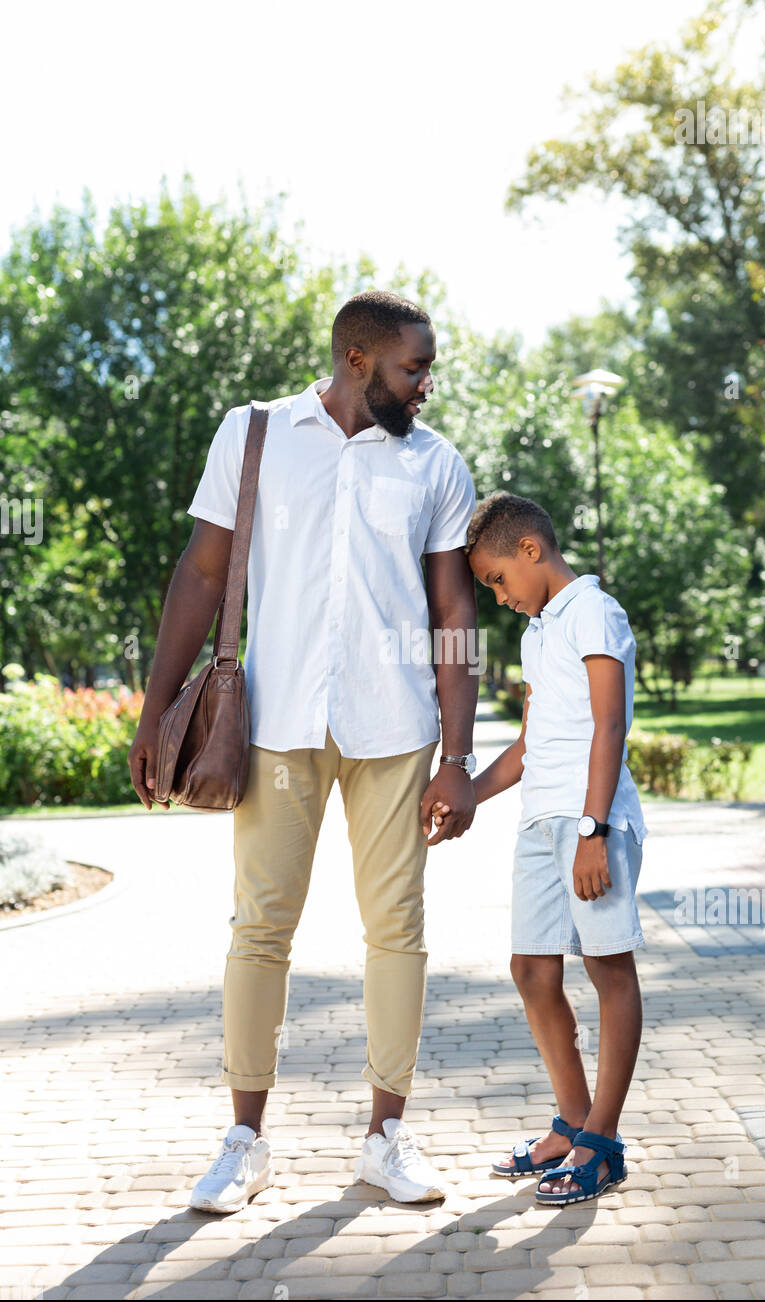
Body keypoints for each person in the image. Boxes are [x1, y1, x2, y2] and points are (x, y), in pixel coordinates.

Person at [128, 291, 479, 1209]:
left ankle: (385, 1138)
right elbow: (202, 571)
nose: (426, 384)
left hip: (395, 729)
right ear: (358, 360)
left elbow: (453, 614)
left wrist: (459, 754)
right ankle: (245, 1140)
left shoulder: (436, 464)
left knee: (397, 929)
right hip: (274, 722)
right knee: (260, 928)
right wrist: (154, 707)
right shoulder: (255, 435)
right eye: (414, 367)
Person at [430, 491, 647, 1205]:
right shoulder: (535, 632)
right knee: (530, 969)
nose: (497, 597)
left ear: (531, 550)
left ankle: (603, 1144)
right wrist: (466, 796)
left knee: (608, 968)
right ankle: (573, 1122)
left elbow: (609, 727)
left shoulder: (594, 611)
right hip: (538, 823)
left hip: (591, 823)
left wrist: (594, 831)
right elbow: (529, 744)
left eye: (497, 580)